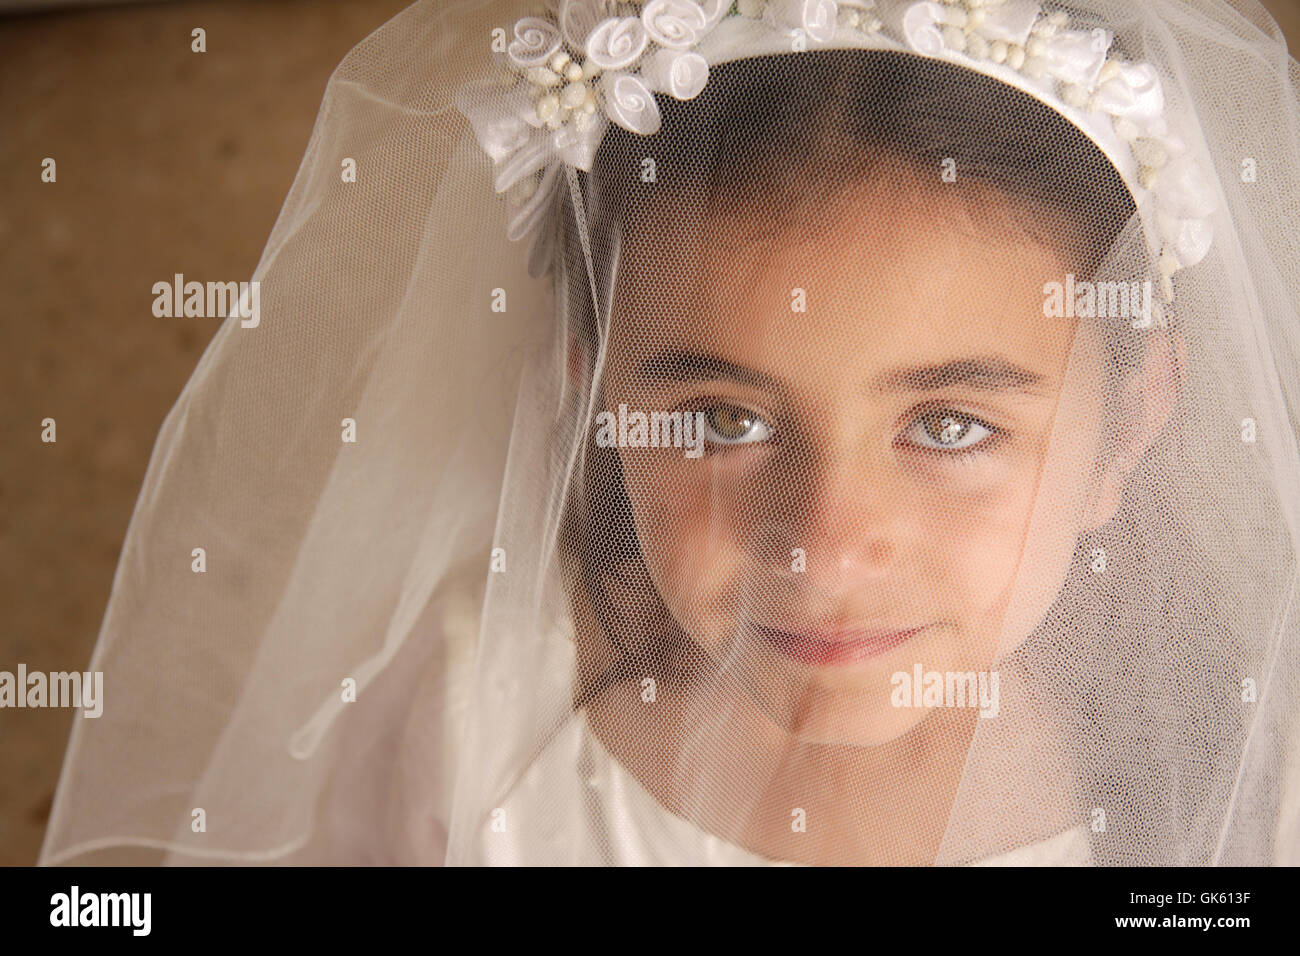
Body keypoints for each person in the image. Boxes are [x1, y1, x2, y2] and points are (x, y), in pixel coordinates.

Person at [40, 0, 1300, 866]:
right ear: (596, 395)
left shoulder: (1233, 786)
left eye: (952, 423)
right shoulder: (478, 717)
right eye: (722, 417)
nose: (822, 544)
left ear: (1128, 423)